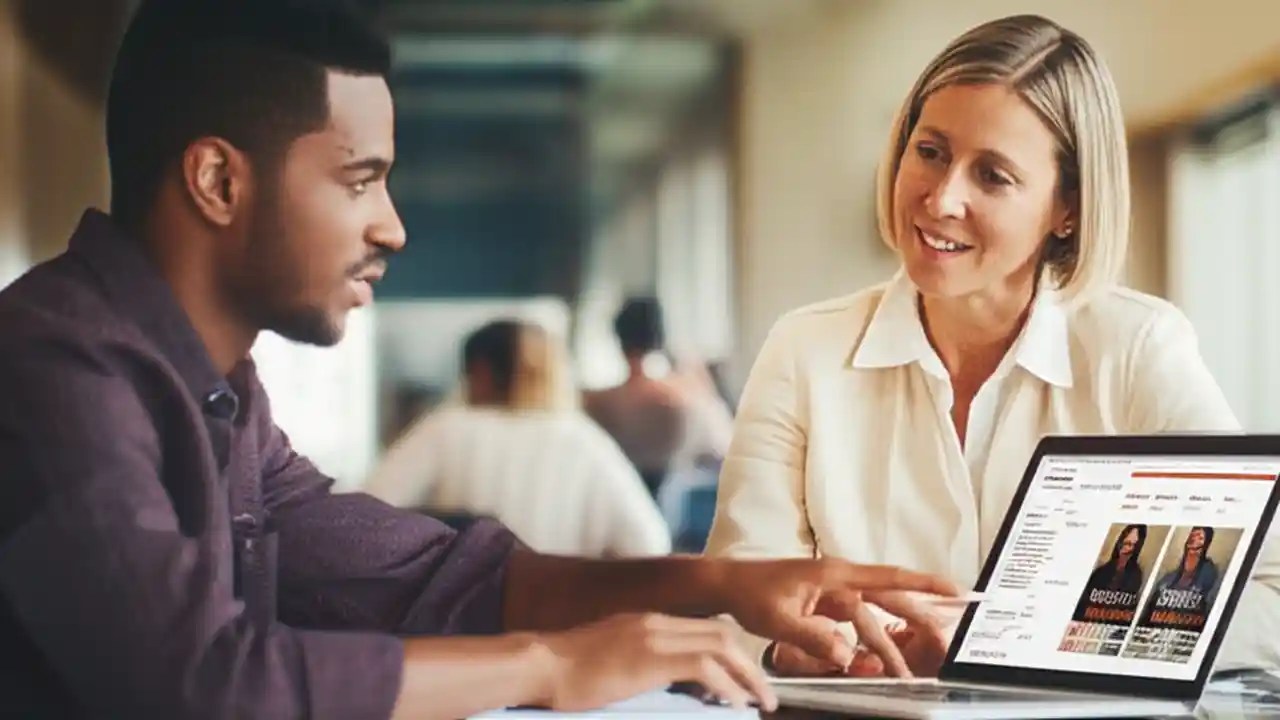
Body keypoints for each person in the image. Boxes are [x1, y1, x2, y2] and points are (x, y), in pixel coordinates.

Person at [0, 1, 959, 717]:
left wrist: (717, 584)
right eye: (360, 181)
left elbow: (446, 581)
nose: (392, 228)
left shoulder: (224, 400)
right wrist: (550, 666)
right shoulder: (53, 366)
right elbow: (201, 682)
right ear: (217, 180)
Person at [705, 13, 1279, 677]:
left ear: (1068, 208)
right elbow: (730, 603)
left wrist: (1005, 641)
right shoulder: (804, 349)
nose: (942, 199)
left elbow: (1268, 595)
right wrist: (806, 650)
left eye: (994, 176)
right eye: (931, 152)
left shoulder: (1136, 351)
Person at [366, 319, 672, 558]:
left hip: (460, 615)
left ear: (479, 372)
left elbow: (364, 517)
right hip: (563, 615)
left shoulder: (448, 427)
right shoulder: (584, 438)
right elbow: (649, 543)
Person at [584, 297, 734, 498]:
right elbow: (726, 449)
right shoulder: (687, 398)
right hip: (676, 505)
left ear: (618, 341)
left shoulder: (596, 403)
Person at [1072, 524, 1148, 621]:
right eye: (1126, 543)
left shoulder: (1135, 575)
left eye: (1133, 545)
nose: (1128, 549)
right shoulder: (1100, 572)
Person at [1150, 527, 1221, 615]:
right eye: (1193, 536)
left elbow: (1208, 605)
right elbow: (1151, 605)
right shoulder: (1168, 579)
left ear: (1206, 544)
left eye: (1200, 538)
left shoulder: (1209, 572)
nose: (1194, 540)